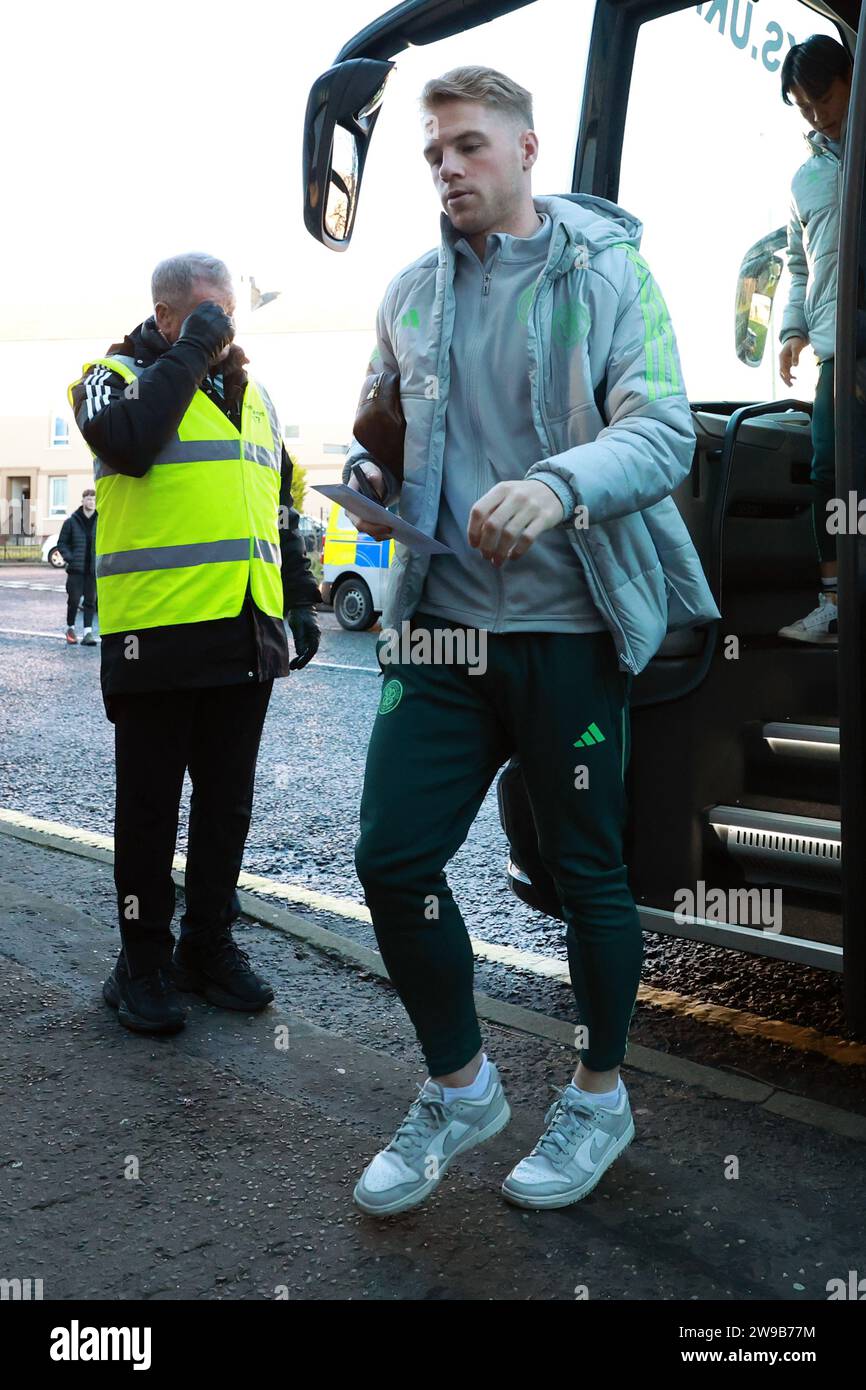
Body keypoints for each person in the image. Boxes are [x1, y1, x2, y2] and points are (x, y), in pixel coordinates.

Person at [341, 66, 720, 1215]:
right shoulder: (408, 292)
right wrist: (369, 477)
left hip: (567, 628)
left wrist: (554, 487)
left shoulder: (608, 275)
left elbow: (662, 433)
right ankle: (460, 1086)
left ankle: (600, 1095)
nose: (446, 167)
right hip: (441, 632)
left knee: (582, 872)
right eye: (431, 153)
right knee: (390, 857)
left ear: (524, 151)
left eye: (465, 146)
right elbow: (383, 420)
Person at [68, 252, 321, 1036]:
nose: (226, 330)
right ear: (170, 315)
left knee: (226, 807)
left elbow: (280, 506)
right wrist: (189, 351)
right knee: (148, 812)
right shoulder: (106, 375)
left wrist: (301, 601)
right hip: (159, 638)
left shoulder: (254, 397)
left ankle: (205, 947)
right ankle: (139, 967)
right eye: (210, 315)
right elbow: (132, 440)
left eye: (231, 315)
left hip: (245, 636)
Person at [777, 34, 853, 646]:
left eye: (825, 97)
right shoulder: (804, 178)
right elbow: (799, 265)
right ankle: (834, 603)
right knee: (830, 476)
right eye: (805, 106)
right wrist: (793, 331)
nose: (820, 115)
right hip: (835, 352)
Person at [57, 487, 98, 645]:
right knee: (73, 600)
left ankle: (88, 633)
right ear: (83, 501)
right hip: (76, 570)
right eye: (88, 499)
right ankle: (70, 629)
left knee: (90, 602)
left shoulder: (100, 520)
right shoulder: (71, 522)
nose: (91, 502)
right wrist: (70, 558)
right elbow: (62, 543)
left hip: (92, 570)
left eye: (94, 499)